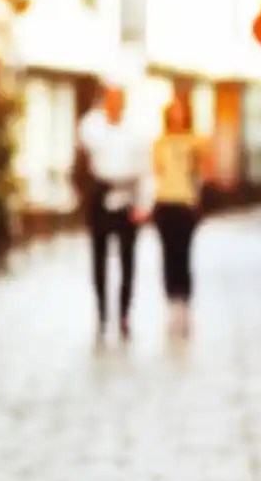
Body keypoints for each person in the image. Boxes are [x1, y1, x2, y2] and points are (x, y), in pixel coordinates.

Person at [76, 80, 153, 340]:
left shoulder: (137, 131)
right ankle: (101, 312)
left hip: (127, 195)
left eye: (118, 99)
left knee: (127, 258)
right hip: (102, 193)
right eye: (109, 99)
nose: (114, 104)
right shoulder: (93, 127)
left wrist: (144, 204)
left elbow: (145, 171)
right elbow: (86, 138)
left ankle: (123, 314)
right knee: (99, 258)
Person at [152, 100, 210, 336]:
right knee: (168, 253)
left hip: (186, 202)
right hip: (165, 201)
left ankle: (185, 301)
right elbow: (155, 172)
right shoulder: (159, 143)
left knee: (184, 253)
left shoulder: (195, 142)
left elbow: (203, 169)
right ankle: (171, 301)